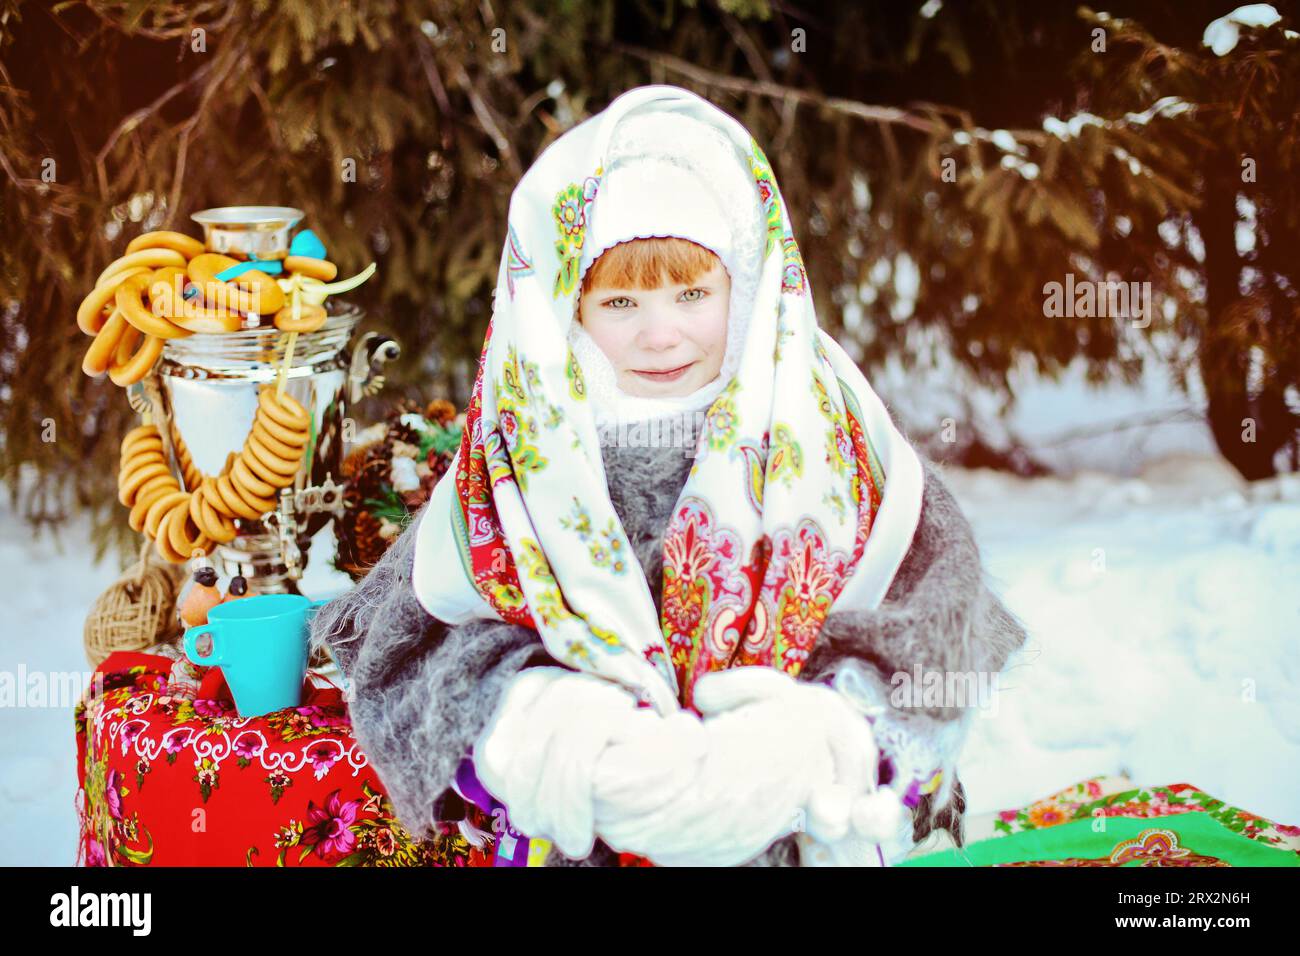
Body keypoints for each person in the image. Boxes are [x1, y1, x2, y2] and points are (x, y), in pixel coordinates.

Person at [309, 84, 1027, 867]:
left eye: (693, 292)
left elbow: (943, 622)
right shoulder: (522, 453)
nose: (662, 334)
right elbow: (402, 641)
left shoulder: (833, 435)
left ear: (744, 285)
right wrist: (534, 723)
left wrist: (827, 736)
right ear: (562, 308)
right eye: (620, 300)